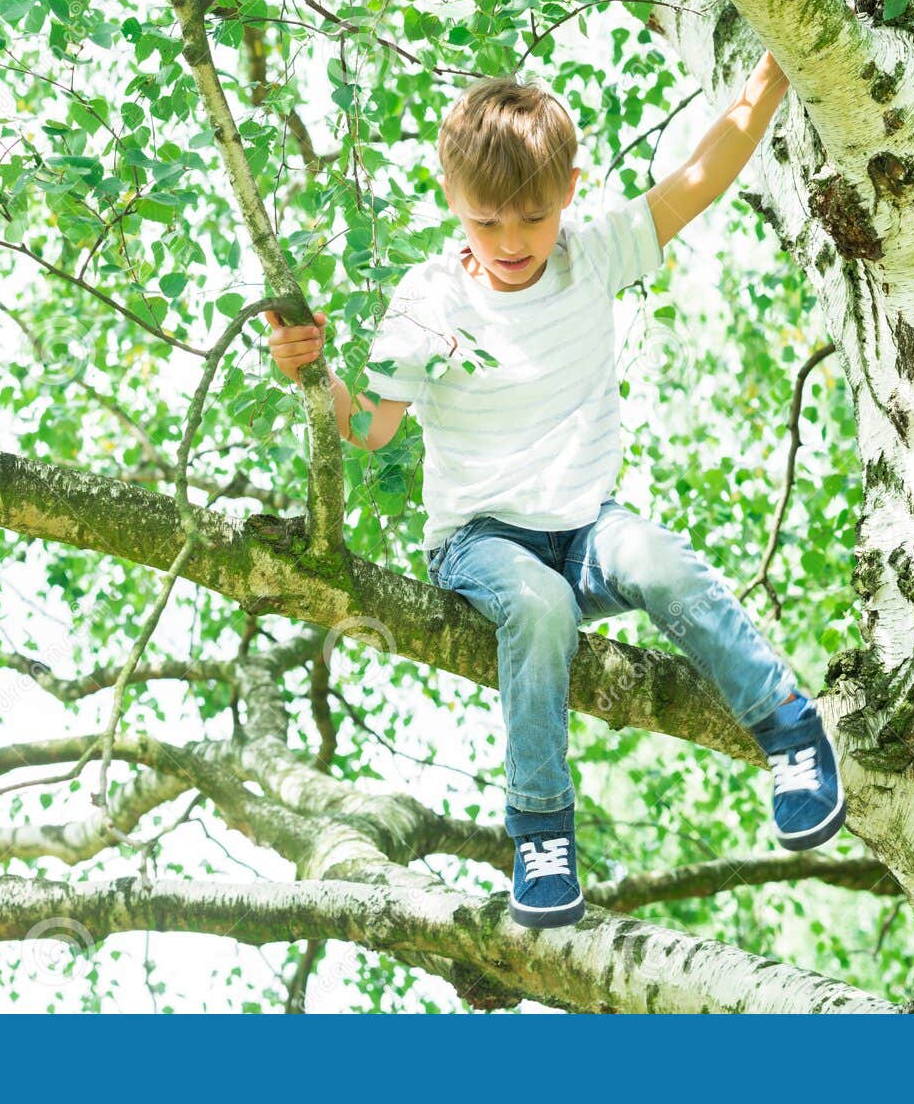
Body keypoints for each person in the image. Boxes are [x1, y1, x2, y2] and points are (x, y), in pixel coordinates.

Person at [264, 54, 845, 930]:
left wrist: (770, 75)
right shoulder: (429, 298)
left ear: (570, 190)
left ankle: (789, 731)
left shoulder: (594, 253)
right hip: (481, 540)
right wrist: (310, 375)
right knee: (538, 608)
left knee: (660, 558)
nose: (510, 240)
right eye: (487, 219)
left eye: (533, 216)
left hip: (588, 528)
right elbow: (369, 430)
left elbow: (698, 181)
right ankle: (539, 829)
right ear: (450, 197)